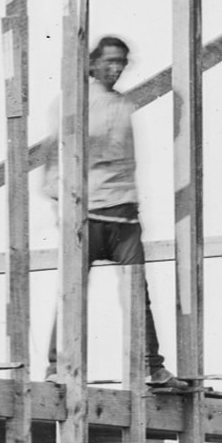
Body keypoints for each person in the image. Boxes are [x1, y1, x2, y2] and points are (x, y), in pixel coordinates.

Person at [30, 34, 182, 387]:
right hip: (87, 215)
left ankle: (150, 367)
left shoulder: (124, 105)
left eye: (122, 62)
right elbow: (53, 153)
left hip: (123, 214)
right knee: (72, 292)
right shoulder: (73, 102)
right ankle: (57, 368)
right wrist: (60, 200)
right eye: (109, 61)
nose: (115, 68)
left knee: (136, 293)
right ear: (93, 63)